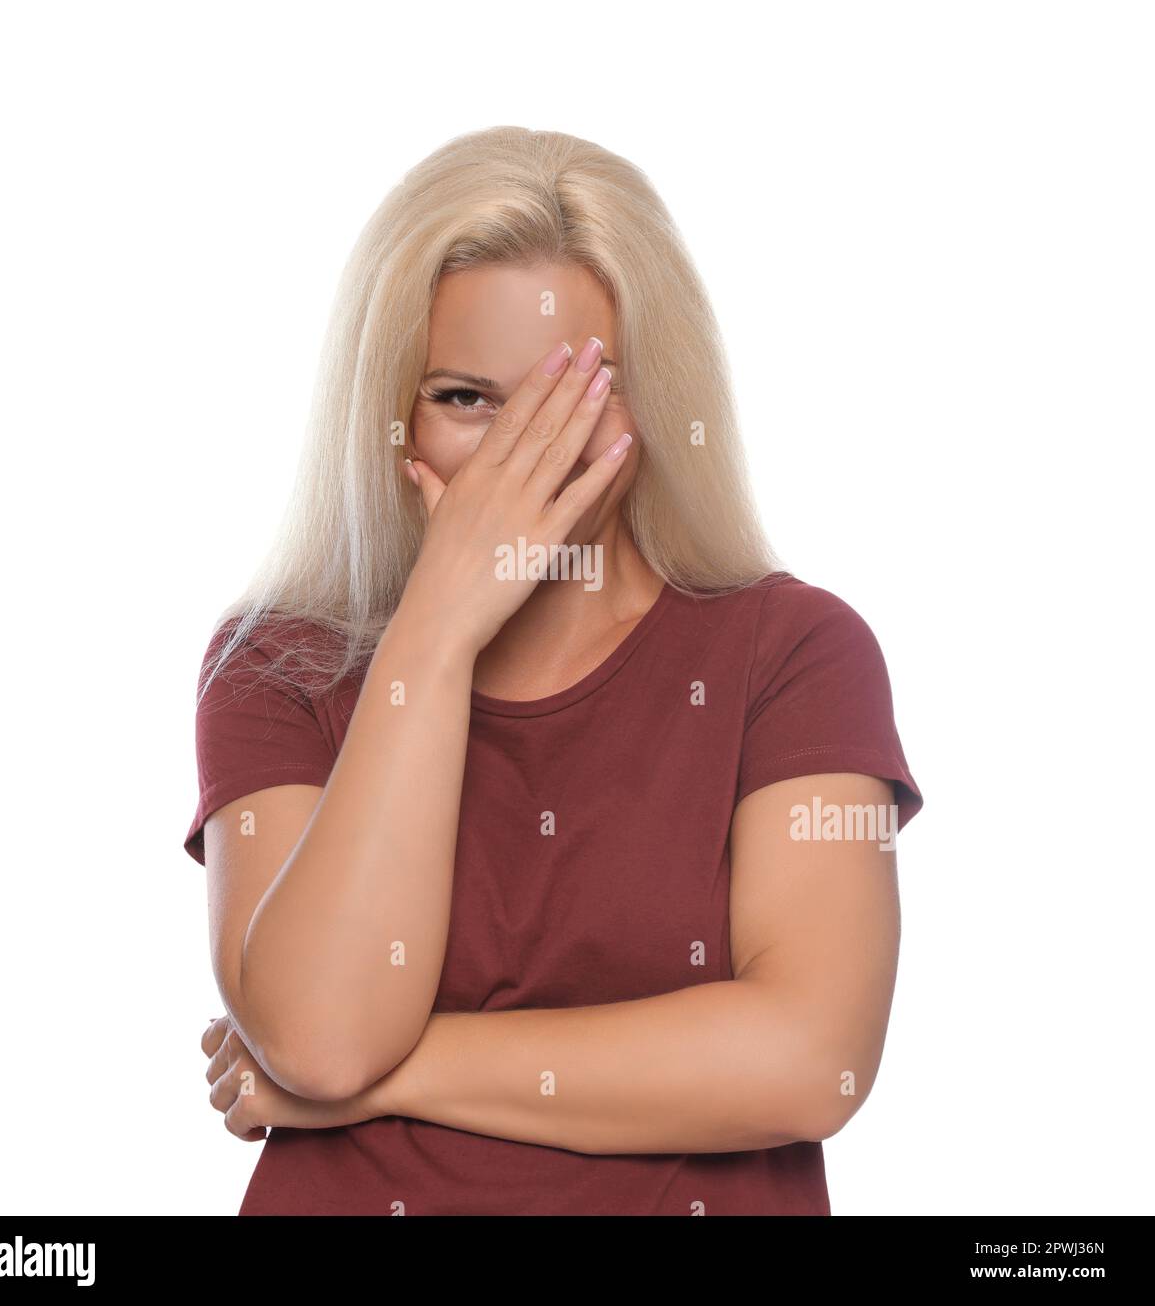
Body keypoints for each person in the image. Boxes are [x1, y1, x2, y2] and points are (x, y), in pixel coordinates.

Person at [187, 125, 922, 1215]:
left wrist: (389, 1075)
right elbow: (325, 1036)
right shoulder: (277, 667)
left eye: (572, 393)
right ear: (388, 420)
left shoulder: (795, 653)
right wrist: (436, 629)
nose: (523, 452)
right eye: (465, 400)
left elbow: (808, 1060)